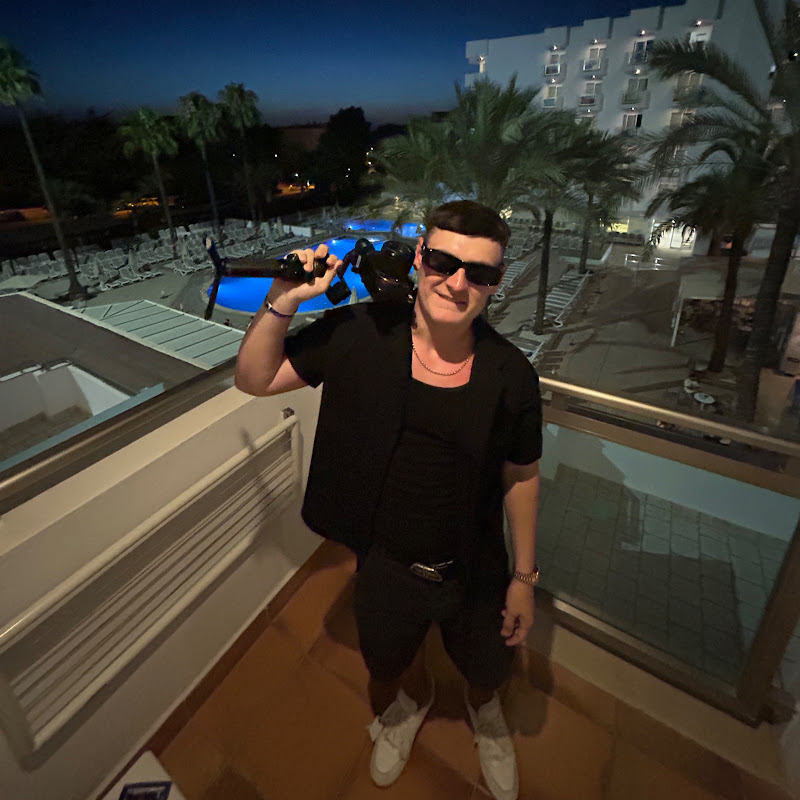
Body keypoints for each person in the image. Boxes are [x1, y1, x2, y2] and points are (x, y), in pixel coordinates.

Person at [234, 201, 541, 800]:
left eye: (479, 273)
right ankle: (411, 701)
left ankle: (485, 712)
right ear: (420, 257)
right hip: (383, 555)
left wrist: (524, 577)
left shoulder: (510, 375)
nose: (457, 284)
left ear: (496, 283)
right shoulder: (360, 332)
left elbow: (521, 474)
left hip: (475, 558)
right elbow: (255, 379)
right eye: (444, 262)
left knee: (488, 662)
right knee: (393, 656)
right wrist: (283, 299)